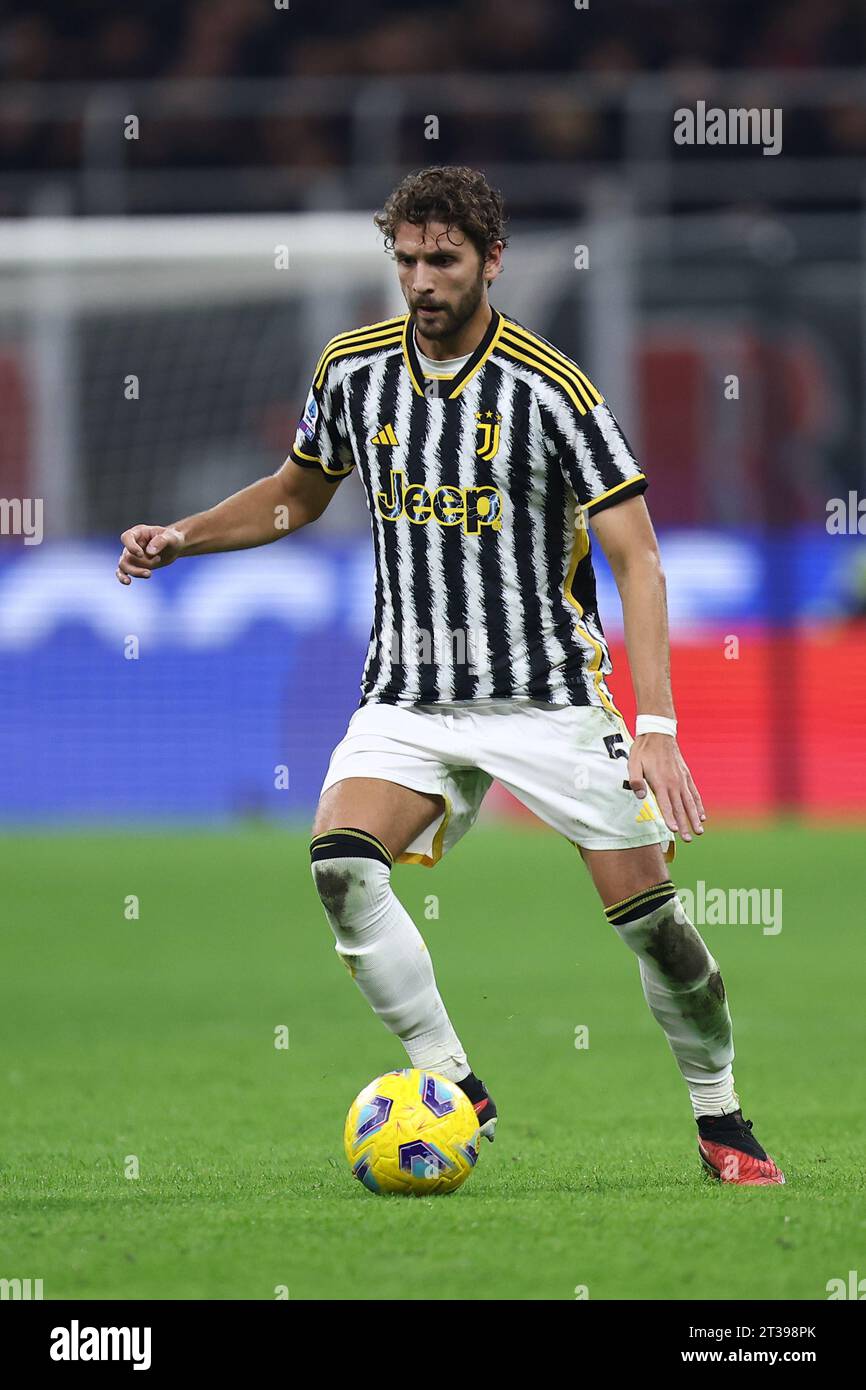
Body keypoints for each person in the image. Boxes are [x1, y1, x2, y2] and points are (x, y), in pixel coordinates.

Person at [117, 165, 784, 1185]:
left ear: (490, 262)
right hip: (409, 697)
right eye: (407, 260)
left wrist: (653, 723)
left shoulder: (552, 390)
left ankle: (718, 1112)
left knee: (656, 933)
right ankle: (451, 1086)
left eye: (444, 260)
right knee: (339, 864)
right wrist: (185, 537)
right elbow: (298, 495)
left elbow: (637, 556)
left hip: (549, 695)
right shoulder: (351, 371)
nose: (421, 281)